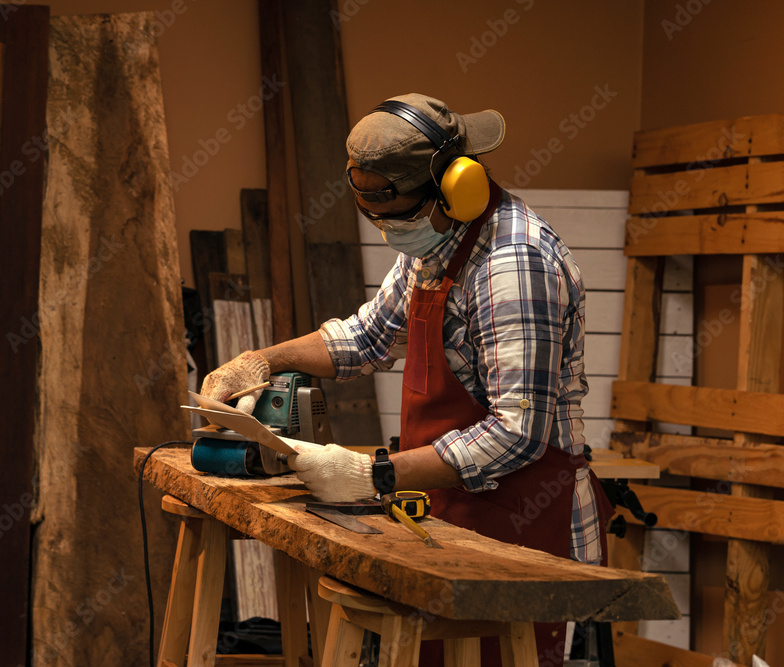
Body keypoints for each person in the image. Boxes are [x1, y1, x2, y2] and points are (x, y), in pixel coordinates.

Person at [200, 93, 612, 666]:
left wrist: (372, 474)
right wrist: (261, 361)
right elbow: (367, 338)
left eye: (397, 215)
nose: (389, 231)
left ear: (454, 186)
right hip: (450, 516)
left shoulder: (514, 265)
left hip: (521, 524)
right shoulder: (438, 244)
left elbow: (518, 433)